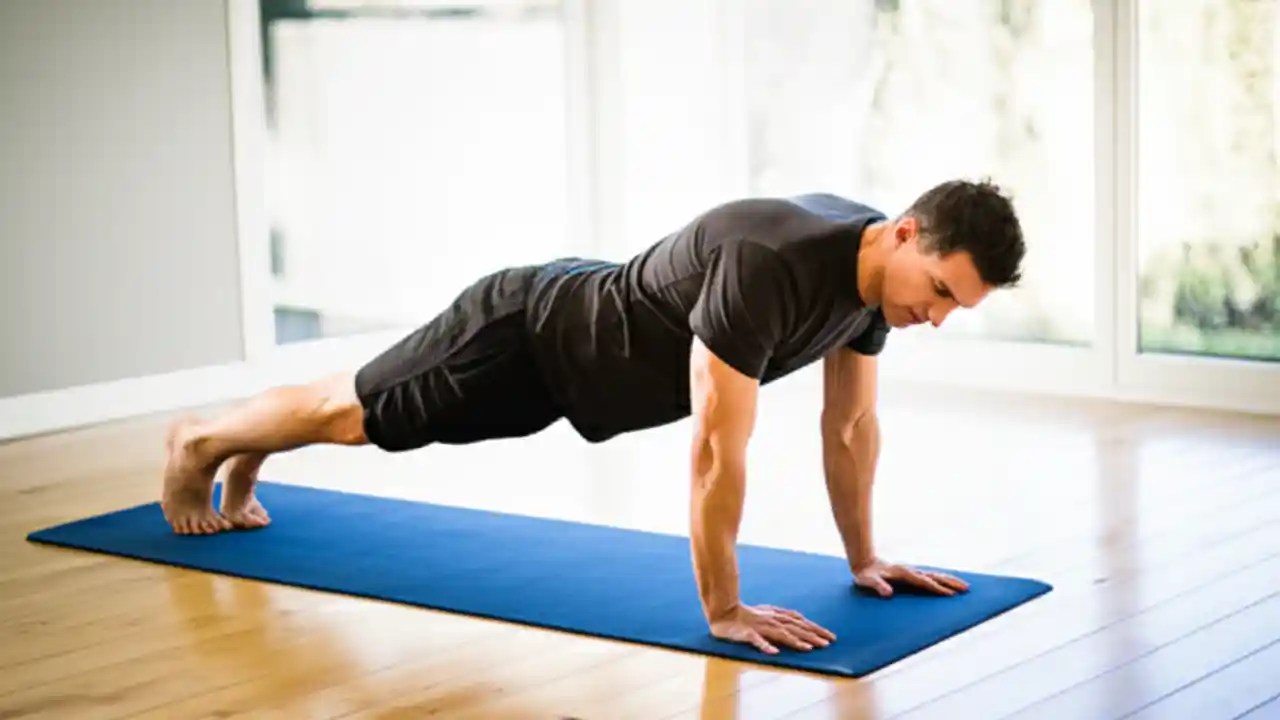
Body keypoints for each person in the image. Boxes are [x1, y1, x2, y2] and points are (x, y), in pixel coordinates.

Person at [160, 178, 1026, 656]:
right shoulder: (773, 263)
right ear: (909, 233)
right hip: (527, 335)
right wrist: (724, 609)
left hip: (576, 371)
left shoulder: (880, 285)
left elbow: (849, 429)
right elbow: (717, 451)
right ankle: (202, 440)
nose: (938, 316)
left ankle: (247, 451)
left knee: (359, 410)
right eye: (942, 291)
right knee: (357, 417)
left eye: (960, 308)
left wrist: (866, 557)